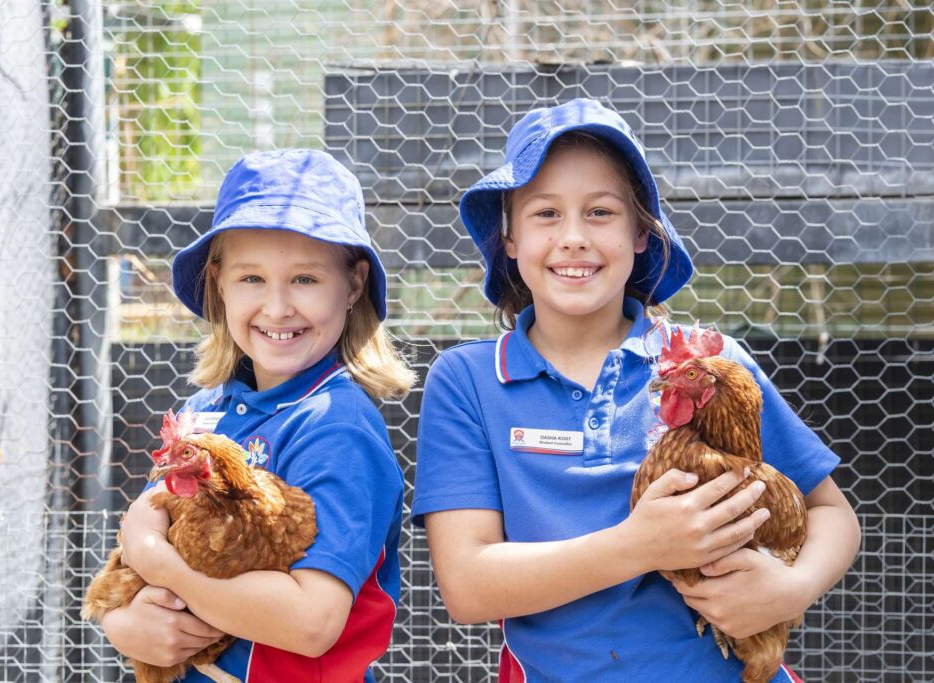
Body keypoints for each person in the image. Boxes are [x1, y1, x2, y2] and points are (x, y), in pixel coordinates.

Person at [412, 99, 859, 681]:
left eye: (600, 212)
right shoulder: (469, 381)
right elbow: (469, 588)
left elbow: (833, 513)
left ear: (641, 233)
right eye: (546, 214)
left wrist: (791, 589)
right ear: (511, 240)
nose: (573, 237)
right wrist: (642, 545)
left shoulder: (710, 362)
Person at [102, 149, 415, 681]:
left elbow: (312, 623)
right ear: (219, 283)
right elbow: (132, 551)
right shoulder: (204, 412)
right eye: (251, 279)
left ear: (354, 284)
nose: (276, 308)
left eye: (305, 280)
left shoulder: (335, 426)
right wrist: (121, 622)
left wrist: (163, 567)